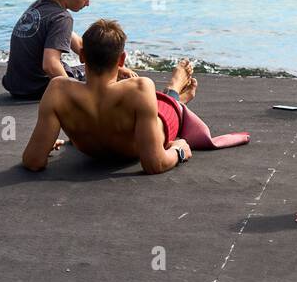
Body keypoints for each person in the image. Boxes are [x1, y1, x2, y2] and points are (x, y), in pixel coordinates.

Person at [21, 19, 249, 174]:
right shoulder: (139, 87)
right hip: (139, 140)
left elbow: (33, 161)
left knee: (149, 103)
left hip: (91, 150)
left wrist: (45, 145)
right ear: (122, 60)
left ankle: (175, 95)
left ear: (82, 56)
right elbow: (154, 163)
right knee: (166, 110)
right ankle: (174, 93)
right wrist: (180, 149)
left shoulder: (58, 90)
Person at [2, 0, 99, 100]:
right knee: (99, 74)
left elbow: (77, 42)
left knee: (99, 67)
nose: (88, 3)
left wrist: (113, 65)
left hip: (16, 85)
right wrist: (74, 96)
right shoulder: (62, 17)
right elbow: (50, 65)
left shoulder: (40, 5)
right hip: (38, 88)